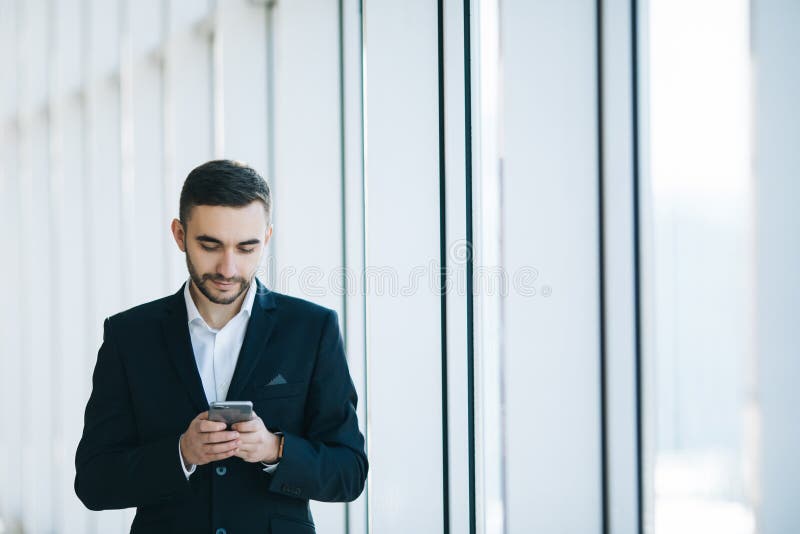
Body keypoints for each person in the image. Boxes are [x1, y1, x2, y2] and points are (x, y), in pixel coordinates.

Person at [75, 160, 367, 533]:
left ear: (267, 238)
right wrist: (180, 454)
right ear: (180, 235)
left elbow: (350, 471)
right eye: (210, 245)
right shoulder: (129, 336)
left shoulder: (312, 330)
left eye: (246, 248)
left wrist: (274, 449)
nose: (228, 268)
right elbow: (94, 481)